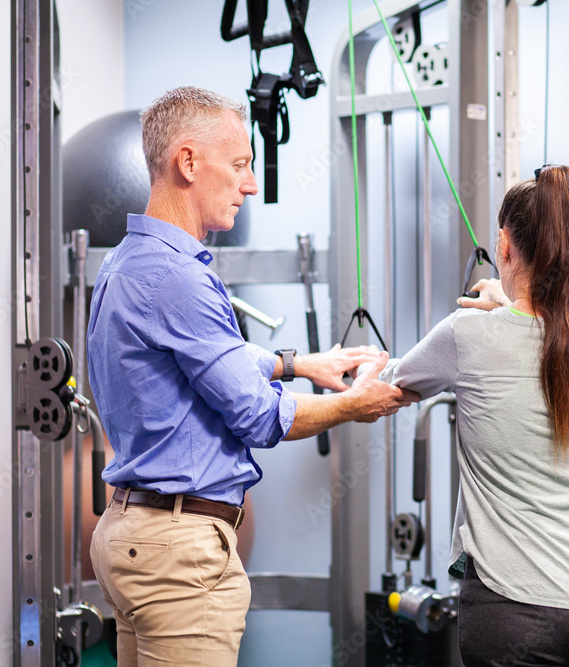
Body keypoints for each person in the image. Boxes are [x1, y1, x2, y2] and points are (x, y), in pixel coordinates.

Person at [86, 86, 417, 666]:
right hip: (178, 556)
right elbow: (261, 417)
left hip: (129, 534)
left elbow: (189, 358)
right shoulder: (179, 278)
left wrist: (296, 364)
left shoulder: (127, 261)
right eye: (239, 165)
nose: (250, 183)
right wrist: (355, 404)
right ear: (188, 163)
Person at [379, 165, 569, 666]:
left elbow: (393, 382)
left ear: (503, 244)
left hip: (518, 612)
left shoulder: (468, 337)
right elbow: (551, 331)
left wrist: (320, 365)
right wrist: (512, 303)